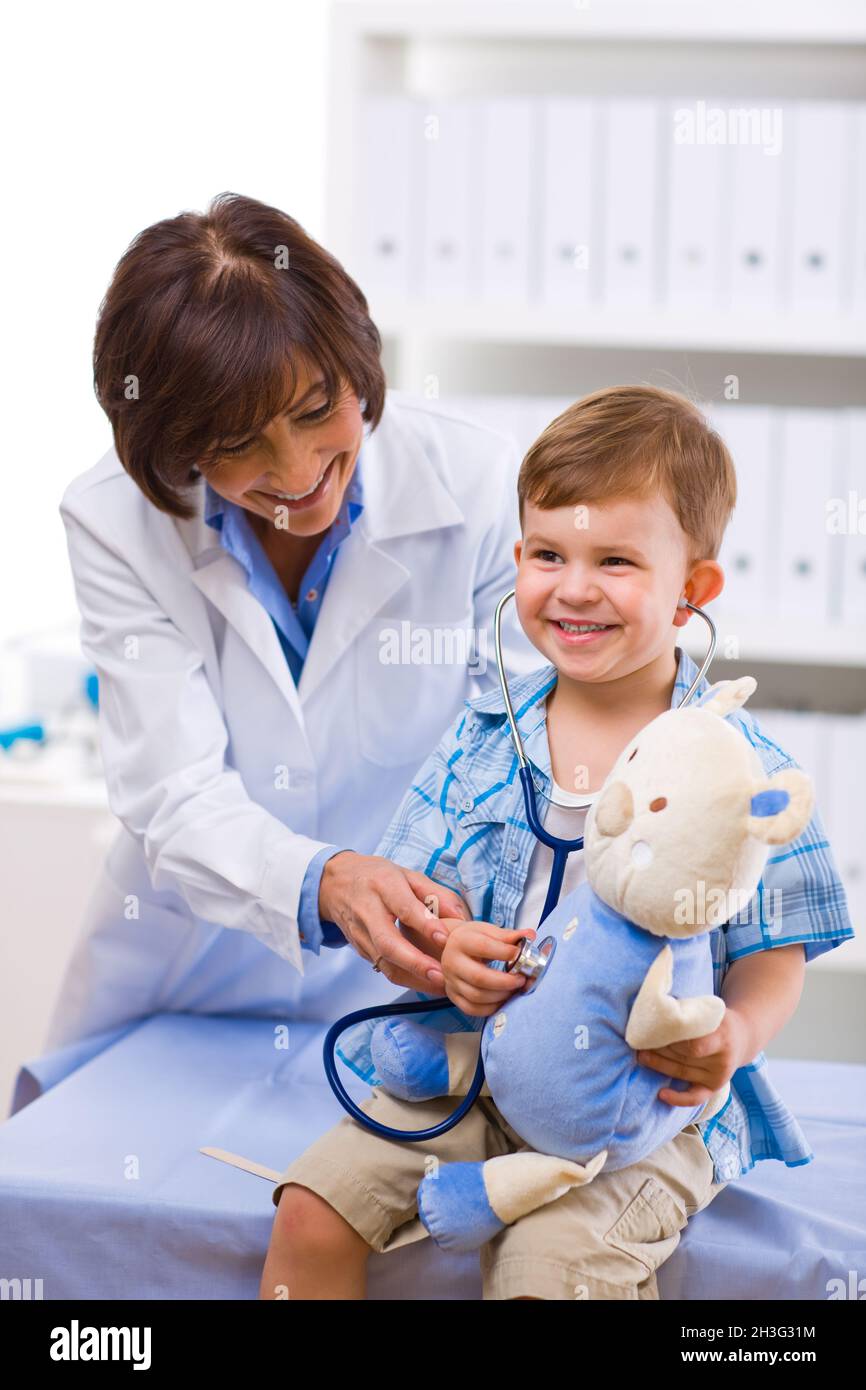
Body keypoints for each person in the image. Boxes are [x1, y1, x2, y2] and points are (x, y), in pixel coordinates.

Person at [262, 385, 855, 1301]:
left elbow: (774, 958)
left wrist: (733, 1036)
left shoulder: (735, 769)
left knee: (555, 1274)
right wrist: (447, 954)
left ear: (692, 591)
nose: (573, 587)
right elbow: (424, 902)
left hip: (641, 1113)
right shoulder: (484, 734)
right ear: (517, 561)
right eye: (548, 554)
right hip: (477, 1072)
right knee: (310, 1208)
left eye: (615, 560)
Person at [40, 191, 536, 1060]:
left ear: (359, 363)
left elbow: (530, 755)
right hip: (188, 975)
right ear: (175, 442)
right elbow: (175, 793)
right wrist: (323, 882)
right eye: (237, 443)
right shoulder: (114, 521)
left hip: (416, 980)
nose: (297, 472)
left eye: (315, 412)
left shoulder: (481, 485)